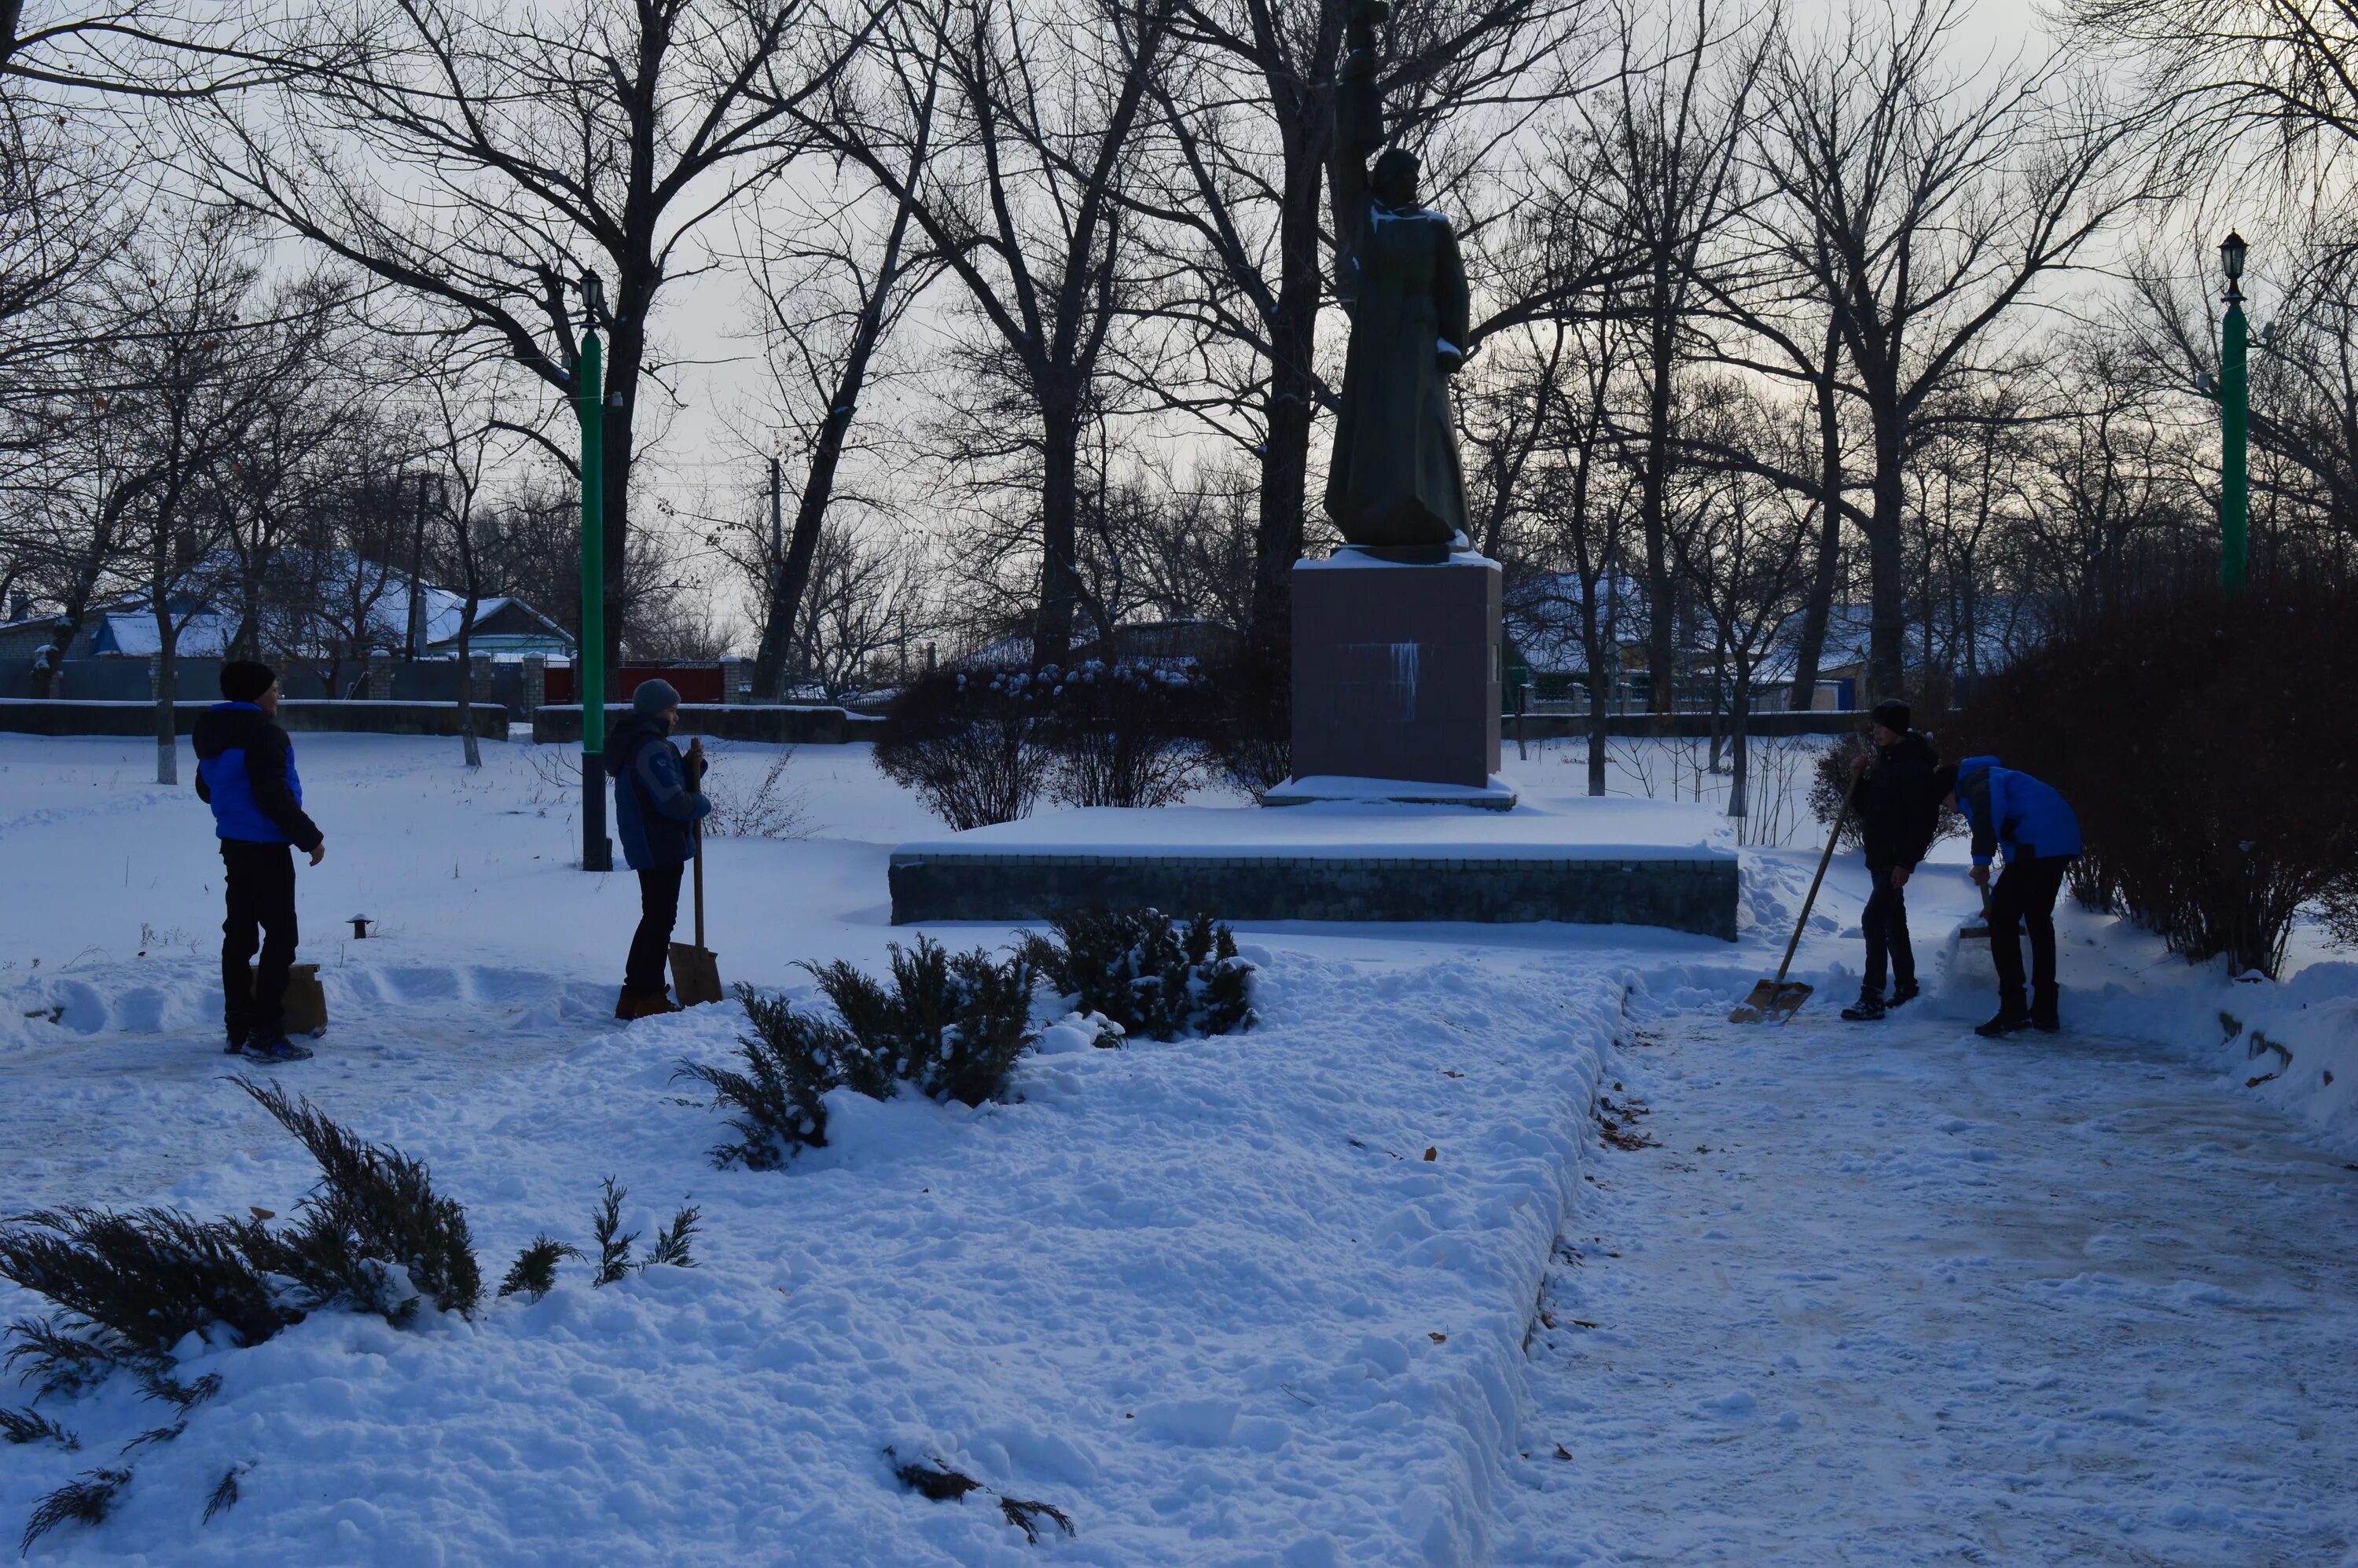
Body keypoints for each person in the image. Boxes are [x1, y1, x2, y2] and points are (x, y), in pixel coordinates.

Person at [193, 660, 325, 1063]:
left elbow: (205, 788)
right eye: (273, 688)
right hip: (267, 848)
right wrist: (310, 838)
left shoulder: (212, 731)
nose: (278, 696)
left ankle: (238, 1028)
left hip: (234, 845)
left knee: (239, 937)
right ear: (255, 693)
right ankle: (267, 1032)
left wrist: (233, 806)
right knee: (281, 938)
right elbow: (273, 794)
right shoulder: (266, 735)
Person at [1934, 755, 2082, 1037]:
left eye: (1946, 804)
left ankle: (2013, 1008)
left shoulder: (1979, 782)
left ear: (1952, 791)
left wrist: (1981, 861)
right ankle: (2045, 1009)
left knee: (2002, 920)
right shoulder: (1993, 776)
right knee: (2037, 919)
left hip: (2038, 844)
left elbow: (1987, 814)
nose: (1951, 811)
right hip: (2057, 841)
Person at [605, 679, 712, 1020]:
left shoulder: (643, 745)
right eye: (672, 710)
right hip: (659, 846)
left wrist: (690, 766)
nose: (676, 717)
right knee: (658, 921)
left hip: (652, 845)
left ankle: (633, 994)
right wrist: (700, 803)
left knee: (655, 919)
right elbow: (673, 802)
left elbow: (664, 783)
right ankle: (647, 995)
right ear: (657, 712)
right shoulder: (650, 748)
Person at [1840, 698, 1941, 1022]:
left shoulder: (1914, 768)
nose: (1876, 732)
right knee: (1891, 920)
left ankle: (1872, 996)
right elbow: (1870, 811)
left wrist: (1906, 863)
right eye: (1874, 726)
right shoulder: (1887, 762)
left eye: (1881, 726)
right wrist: (1857, 781)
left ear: (1896, 728)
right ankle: (1907, 985)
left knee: (1873, 920)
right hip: (1881, 856)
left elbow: (1923, 820)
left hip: (1895, 858)